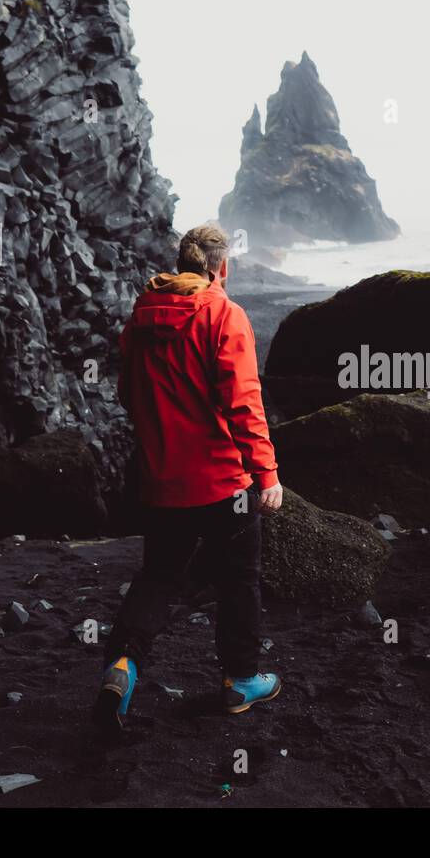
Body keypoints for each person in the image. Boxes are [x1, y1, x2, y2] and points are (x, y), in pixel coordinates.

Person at [93, 224, 284, 733]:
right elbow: (243, 402)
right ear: (222, 267)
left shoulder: (140, 316)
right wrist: (266, 473)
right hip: (224, 482)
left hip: (162, 479)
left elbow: (128, 395)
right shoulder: (225, 314)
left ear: (182, 262)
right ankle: (240, 681)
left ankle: (122, 665)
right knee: (239, 579)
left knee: (158, 576)